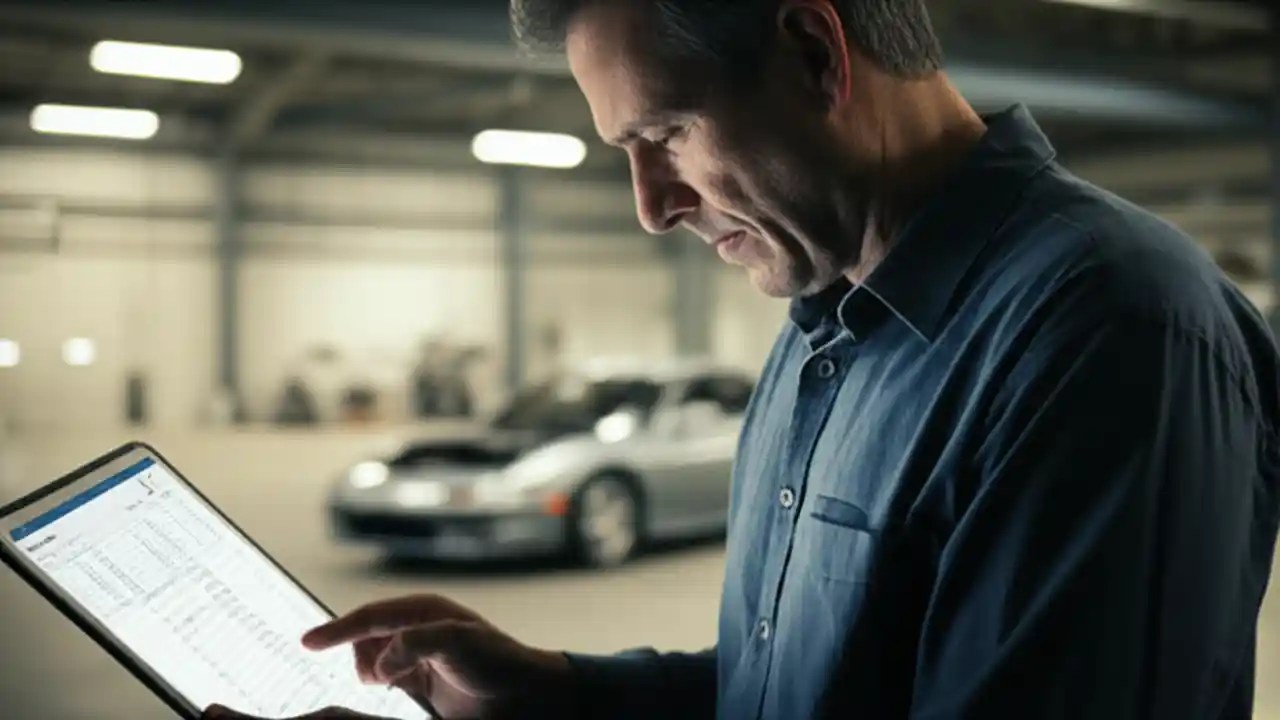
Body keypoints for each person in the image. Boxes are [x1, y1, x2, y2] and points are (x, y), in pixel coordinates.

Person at [205, 0, 1280, 718]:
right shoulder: (827, 330)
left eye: (665, 133)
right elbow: (802, 692)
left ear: (815, 54)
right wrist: (563, 697)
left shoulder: (1109, 331)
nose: (650, 206)